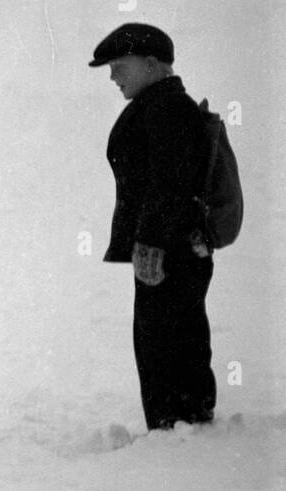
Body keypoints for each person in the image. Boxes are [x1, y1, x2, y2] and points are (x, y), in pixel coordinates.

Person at [90, 23, 215, 430]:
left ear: (151, 63)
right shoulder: (161, 104)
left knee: (165, 341)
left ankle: (178, 430)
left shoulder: (166, 108)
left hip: (170, 250)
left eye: (118, 65)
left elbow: (169, 183)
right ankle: (182, 426)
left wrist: (151, 245)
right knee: (171, 336)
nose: (112, 76)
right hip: (174, 247)